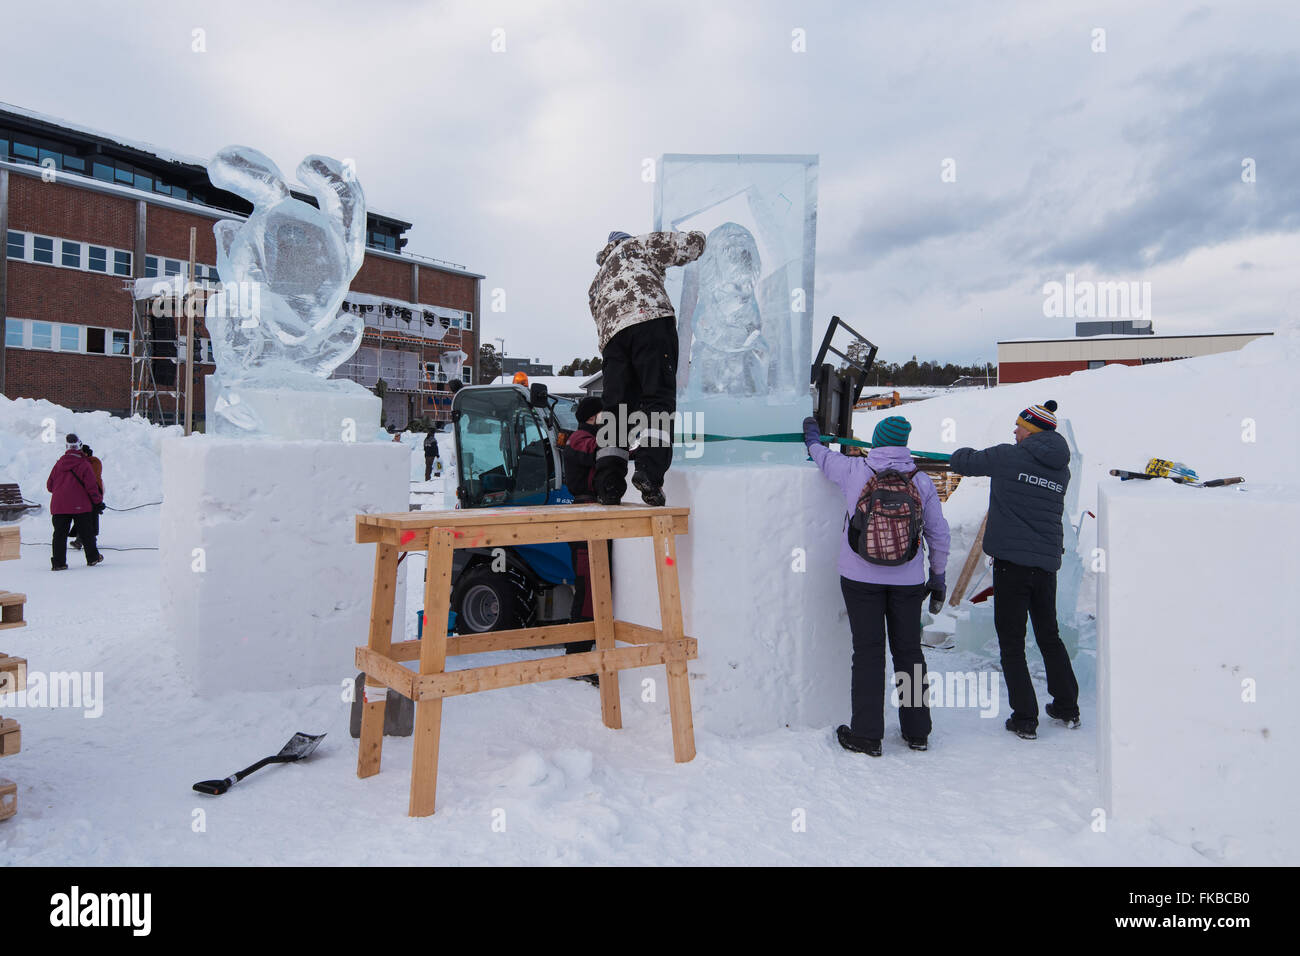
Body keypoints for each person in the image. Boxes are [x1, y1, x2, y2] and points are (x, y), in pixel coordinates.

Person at [804, 415, 950, 756]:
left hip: (859, 578)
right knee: (910, 653)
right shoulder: (922, 481)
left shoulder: (854, 470)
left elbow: (820, 454)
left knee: (868, 653)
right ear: (904, 444)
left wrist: (811, 434)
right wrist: (938, 577)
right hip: (909, 580)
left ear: (876, 440)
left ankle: (867, 735)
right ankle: (917, 731)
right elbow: (938, 533)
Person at [949, 399, 1079, 740]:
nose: (1014, 430)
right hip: (1046, 566)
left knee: (1011, 642)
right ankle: (1067, 707)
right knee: (1049, 635)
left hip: (1012, 565)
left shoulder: (1009, 456)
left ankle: (1025, 718)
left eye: (1019, 426)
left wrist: (960, 448)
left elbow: (964, 461)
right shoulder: (1061, 469)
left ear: (1031, 429)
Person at [588, 229, 706, 507]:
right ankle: (649, 473)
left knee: (617, 410)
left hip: (613, 338)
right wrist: (700, 237)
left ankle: (609, 486)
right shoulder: (637, 245)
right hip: (650, 318)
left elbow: (596, 312)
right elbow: (684, 246)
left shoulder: (597, 281)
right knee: (658, 397)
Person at [560, 396, 604, 683]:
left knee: (596, 587)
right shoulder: (579, 437)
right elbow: (596, 452)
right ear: (592, 416)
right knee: (587, 589)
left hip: (594, 514)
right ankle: (577, 660)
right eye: (603, 415)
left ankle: (586, 656)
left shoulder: (588, 435)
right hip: (585, 515)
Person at [46, 433, 104, 571]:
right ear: (79, 446)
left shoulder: (58, 464)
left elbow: (49, 486)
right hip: (80, 505)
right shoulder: (84, 464)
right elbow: (91, 487)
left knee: (59, 535)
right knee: (86, 532)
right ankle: (93, 557)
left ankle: (58, 563)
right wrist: (98, 501)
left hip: (59, 506)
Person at [71, 444, 104, 551]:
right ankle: (87, 539)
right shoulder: (93, 462)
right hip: (92, 492)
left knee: (86, 517)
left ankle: (81, 540)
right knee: (89, 517)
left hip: (90, 493)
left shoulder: (91, 463)